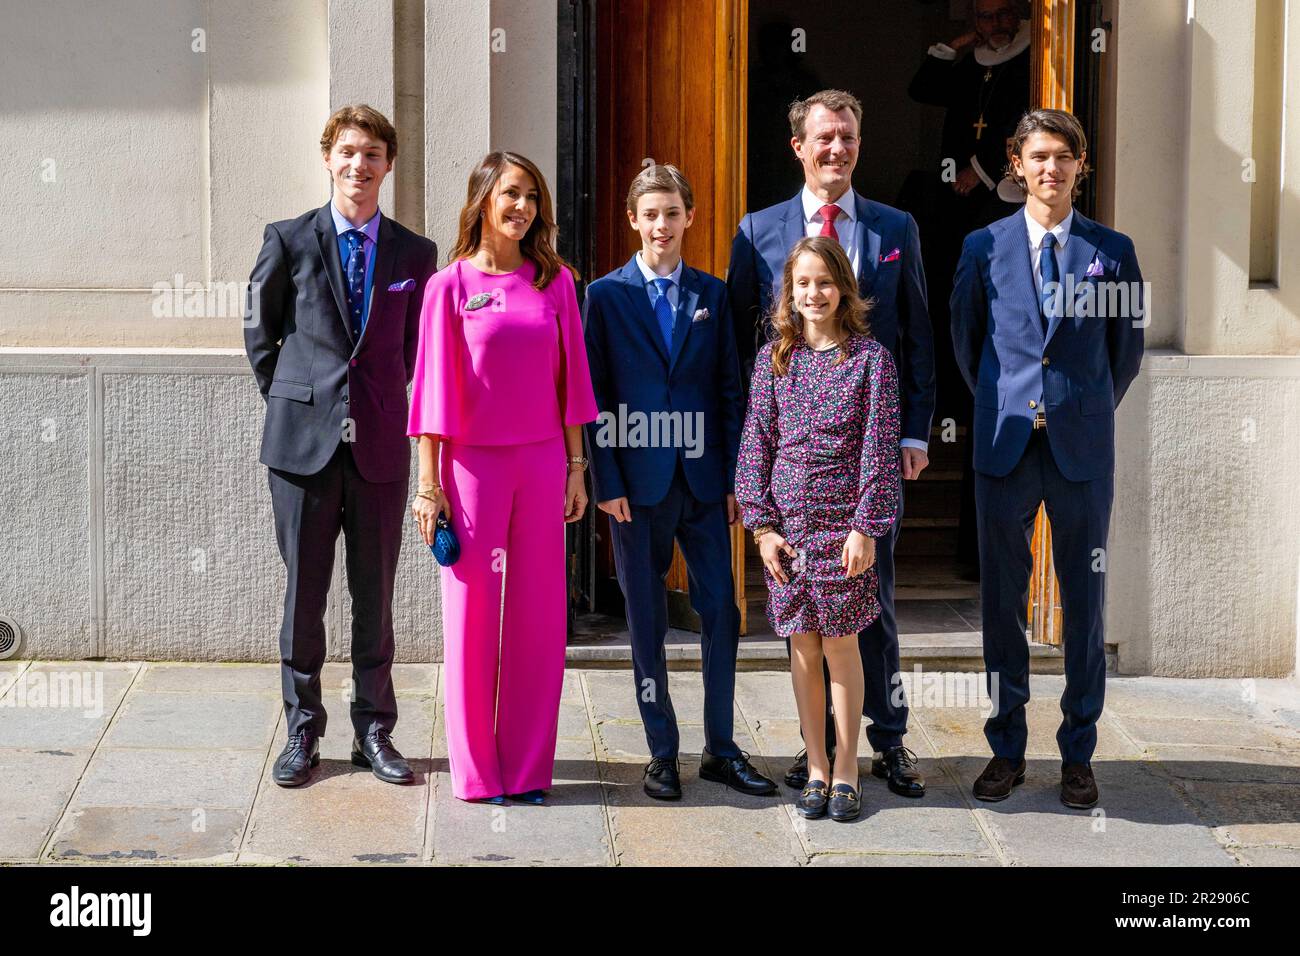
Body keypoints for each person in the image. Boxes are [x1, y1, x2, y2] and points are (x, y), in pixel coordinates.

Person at [727, 89, 934, 798]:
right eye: (824, 138)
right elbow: (738, 347)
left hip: (865, 463)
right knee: (805, 632)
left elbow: (918, 335)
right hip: (790, 477)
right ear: (799, 146)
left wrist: (913, 430)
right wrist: (750, 487)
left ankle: (889, 741)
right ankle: (815, 751)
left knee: (874, 607)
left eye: (847, 137)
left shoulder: (895, 225)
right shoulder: (758, 231)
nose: (836, 149)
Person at [950, 109, 1144, 809]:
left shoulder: (1113, 250)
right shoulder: (982, 246)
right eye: (1038, 156)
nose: (1051, 168)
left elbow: (1126, 352)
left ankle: (1078, 753)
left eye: (1064, 156)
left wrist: (1078, 406)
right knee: (1002, 605)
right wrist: (1013, 404)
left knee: (1085, 605)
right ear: (1016, 163)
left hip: (1080, 452)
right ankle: (1006, 748)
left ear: (1080, 165)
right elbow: (968, 345)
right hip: (1005, 449)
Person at [245, 104, 438, 788]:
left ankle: (374, 732)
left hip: (381, 448)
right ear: (329, 158)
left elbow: (420, 354)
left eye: (374, 154)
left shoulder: (416, 255)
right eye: (349, 152)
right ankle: (303, 733)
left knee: (374, 597)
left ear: (389, 166)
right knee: (305, 595)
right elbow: (260, 333)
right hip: (302, 451)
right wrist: (299, 399)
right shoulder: (289, 238)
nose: (360, 165)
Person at [407, 151, 598, 805]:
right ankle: (478, 775)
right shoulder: (449, 287)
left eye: (532, 197)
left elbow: (573, 384)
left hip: (543, 463)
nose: (524, 208)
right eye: (512, 194)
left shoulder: (557, 283)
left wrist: (577, 469)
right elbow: (432, 393)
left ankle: (525, 772)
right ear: (484, 200)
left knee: (539, 619)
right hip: (471, 470)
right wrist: (427, 485)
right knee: (471, 619)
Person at [583, 164, 776, 801]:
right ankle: (661, 749)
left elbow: (730, 389)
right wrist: (605, 474)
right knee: (647, 621)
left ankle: (720, 746)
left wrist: (735, 480)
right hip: (634, 485)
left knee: (721, 610)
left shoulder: (713, 295)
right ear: (633, 221)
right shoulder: (605, 297)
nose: (662, 225)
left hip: (703, 480)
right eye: (651, 215)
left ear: (690, 218)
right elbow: (597, 393)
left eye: (673, 213)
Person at [736, 237, 901, 823]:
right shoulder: (773, 359)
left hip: (842, 530)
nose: (814, 293)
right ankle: (815, 767)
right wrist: (761, 528)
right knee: (802, 648)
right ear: (789, 292)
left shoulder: (869, 360)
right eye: (802, 283)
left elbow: (879, 452)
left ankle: (849, 766)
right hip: (788, 531)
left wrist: (865, 527)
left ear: (844, 289)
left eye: (825, 282)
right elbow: (756, 442)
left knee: (841, 645)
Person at [908, 0, 1032, 578]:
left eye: (1004, 13)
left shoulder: (1035, 59)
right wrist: (960, 41)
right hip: (958, 206)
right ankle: (955, 400)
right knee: (957, 307)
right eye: (983, 15)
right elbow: (922, 86)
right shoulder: (971, 57)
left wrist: (982, 171)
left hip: (992, 193)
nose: (996, 25)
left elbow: (1021, 121)